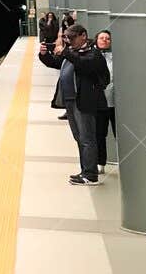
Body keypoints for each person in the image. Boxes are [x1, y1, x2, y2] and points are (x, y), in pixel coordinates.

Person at [41, 27, 110, 184]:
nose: (69, 41)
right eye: (66, 38)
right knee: (79, 137)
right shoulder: (73, 52)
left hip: (85, 101)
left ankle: (91, 175)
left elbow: (84, 65)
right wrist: (44, 55)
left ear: (83, 36)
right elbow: (55, 62)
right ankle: (85, 170)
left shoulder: (93, 53)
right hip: (71, 101)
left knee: (87, 138)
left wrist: (65, 52)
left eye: (72, 37)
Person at [96, 29, 115, 164]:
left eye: (107, 38)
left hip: (115, 102)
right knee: (100, 134)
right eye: (101, 38)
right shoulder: (92, 57)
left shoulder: (116, 57)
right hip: (99, 103)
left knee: (118, 133)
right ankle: (101, 162)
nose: (104, 40)